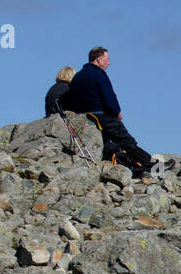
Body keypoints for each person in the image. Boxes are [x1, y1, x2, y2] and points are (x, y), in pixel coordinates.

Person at [66, 47, 154, 177]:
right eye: (106, 59)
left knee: (107, 145)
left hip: (84, 117)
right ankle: (153, 165)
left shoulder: (77, 76)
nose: (108, 63)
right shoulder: (99, 74)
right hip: (102, 114)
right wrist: (117, 112)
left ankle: (129, 169)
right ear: (98, 59)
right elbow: (109, 97)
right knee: (127, 141)